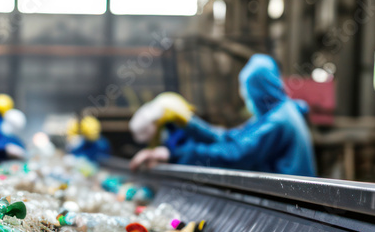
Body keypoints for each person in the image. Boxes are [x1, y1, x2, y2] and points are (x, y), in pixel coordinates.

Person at [129, 54, 316, 177]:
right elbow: (230, 138)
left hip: (293, 205)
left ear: (259, 90)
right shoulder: (278, 113)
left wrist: (173, 154)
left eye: (247, 93)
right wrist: (190, 124)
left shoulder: (277, 122)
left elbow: (234, 155)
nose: (245, 99)